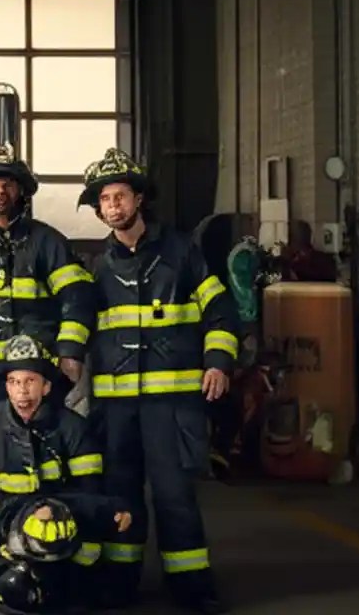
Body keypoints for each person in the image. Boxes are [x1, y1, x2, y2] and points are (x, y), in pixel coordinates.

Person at [78, 148, 237, 614]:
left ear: (139, 199)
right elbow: (78, 325)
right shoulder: (97, 267)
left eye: (120, 196)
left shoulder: (182, 252)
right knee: (121, 496)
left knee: (175, 498)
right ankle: (121, 582)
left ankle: (191, 587)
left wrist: (217, 362)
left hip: (171, 405)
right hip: (116, 410)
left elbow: (221, 310)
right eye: (104, 199)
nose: (113, 206)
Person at [0, 334, 131, 614]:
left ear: (46, 387)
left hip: (59, 514)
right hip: (3, 509)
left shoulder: (72, 428)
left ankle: (65, 584)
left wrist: (66, 510)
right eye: (13, 382)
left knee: (80, 554)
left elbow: (90, 488)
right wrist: (9, 514)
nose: (21, 391)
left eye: (29, 381)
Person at [0, 144, 96, 418]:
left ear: (22, 192)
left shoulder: (49, 243)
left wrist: (70, 352)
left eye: (8, 184)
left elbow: (76, 299)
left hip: (39, 373)